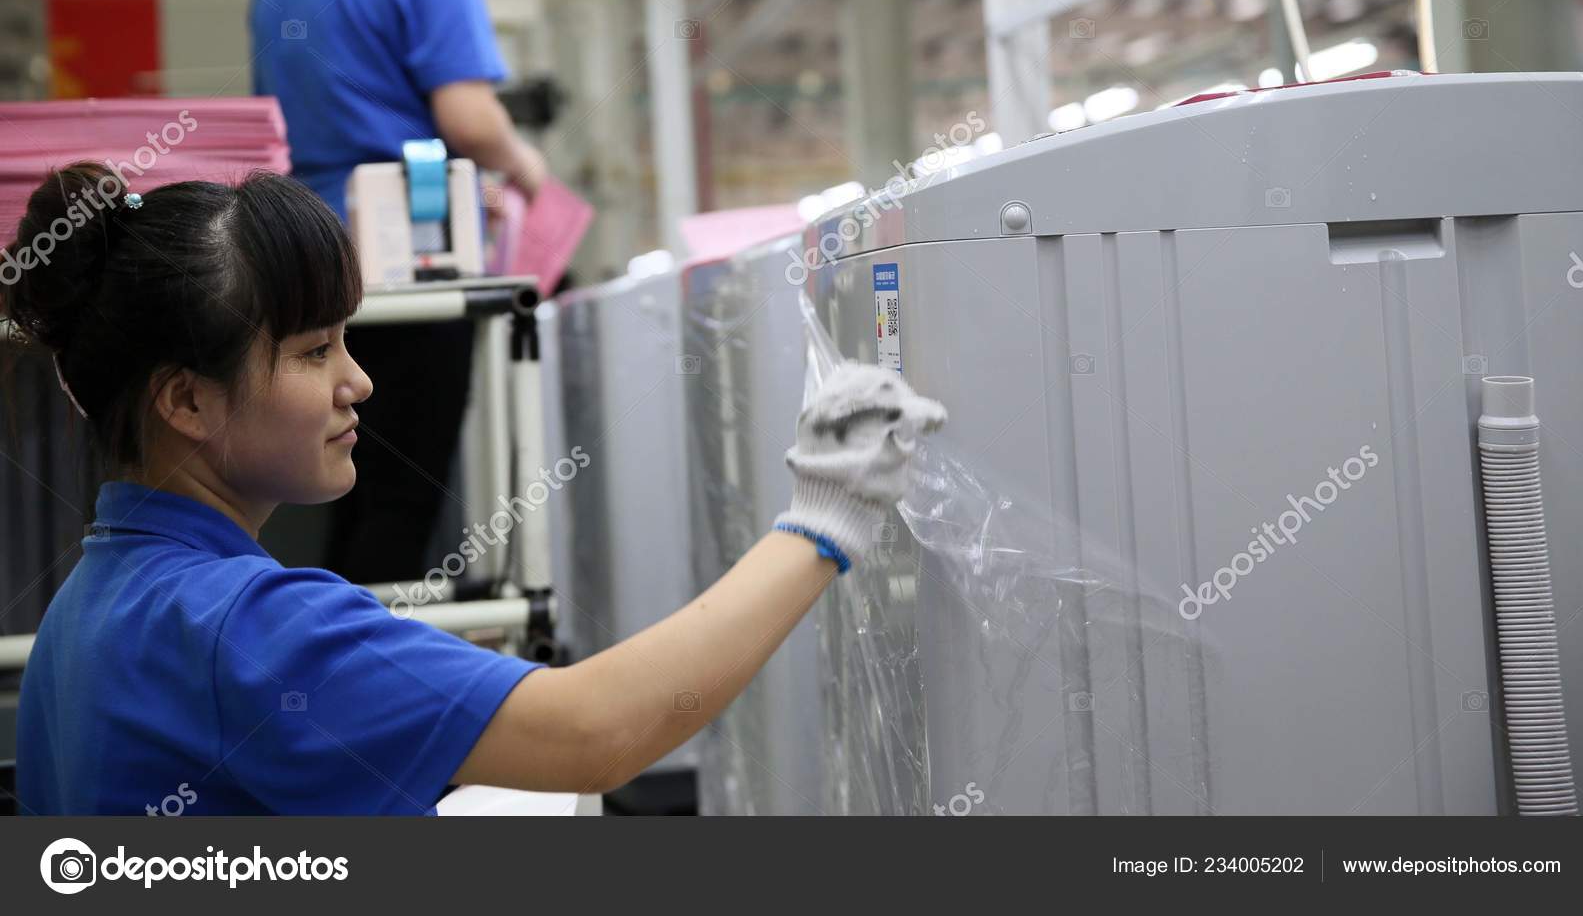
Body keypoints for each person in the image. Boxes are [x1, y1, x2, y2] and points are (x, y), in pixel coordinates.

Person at [5, 166, 945, 814]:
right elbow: (595, 728)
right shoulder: (239, 627)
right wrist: (824, 515)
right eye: (312, 350)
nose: (358, 381)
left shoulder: (89, 611)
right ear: (186, 399)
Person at [248, 0, 549, 583]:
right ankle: (374, 693)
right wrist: (527, 166)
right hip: (412, 260)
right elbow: (469, 119)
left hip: (305, 260)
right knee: (404, 503)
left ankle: (327, 678)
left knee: (347, 490)